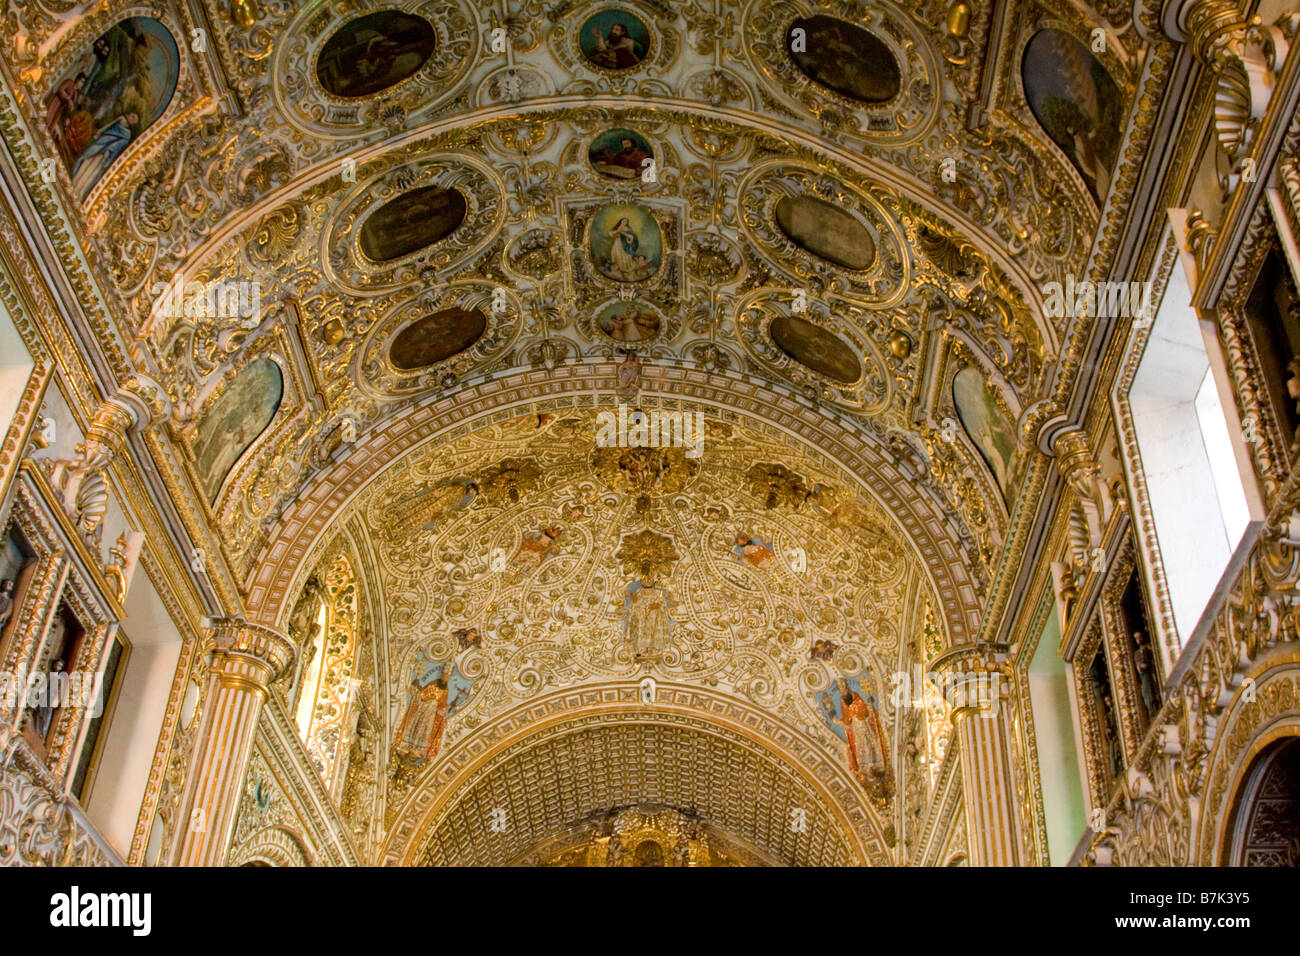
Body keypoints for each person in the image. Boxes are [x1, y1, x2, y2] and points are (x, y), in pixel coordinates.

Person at [70, 110, 138, 198]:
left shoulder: (127, 135)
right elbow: (109, 126)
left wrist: (108, 152)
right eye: (132, 114)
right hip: (101, 143)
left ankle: (80, 190)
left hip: (105, 153)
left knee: (93, 170)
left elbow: (118, 146)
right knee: (87, 160)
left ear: (133, 124)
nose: (130, 115)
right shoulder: (121, 119)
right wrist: (100, 132)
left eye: (133, 118)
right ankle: (75, 181)